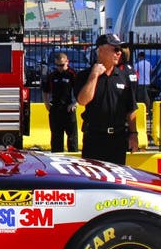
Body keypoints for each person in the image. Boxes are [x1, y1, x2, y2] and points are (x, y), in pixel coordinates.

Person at [74, 34, 139, 165]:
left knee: (116, 177)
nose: (119, 53)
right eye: (115, 49)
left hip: (118, 138)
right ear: (101, 50)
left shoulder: (123, 76)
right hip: (94, 137)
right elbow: (83, 100)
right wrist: (94, 75)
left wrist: (133, 134)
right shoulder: (85, 75)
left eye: (120, 49)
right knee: (94, 176)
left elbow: (130, 108)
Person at [42, 51, 78, 152]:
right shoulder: (52, 76)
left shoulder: (72, 74)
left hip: (68, 109)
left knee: (72, 138)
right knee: (56, 138)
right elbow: (45, 90)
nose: (59, 67)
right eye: (57, 65)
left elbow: (80, 91)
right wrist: (46, 104)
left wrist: (75, 103)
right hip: (56, 109)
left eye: (62, 65)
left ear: (67, 62)